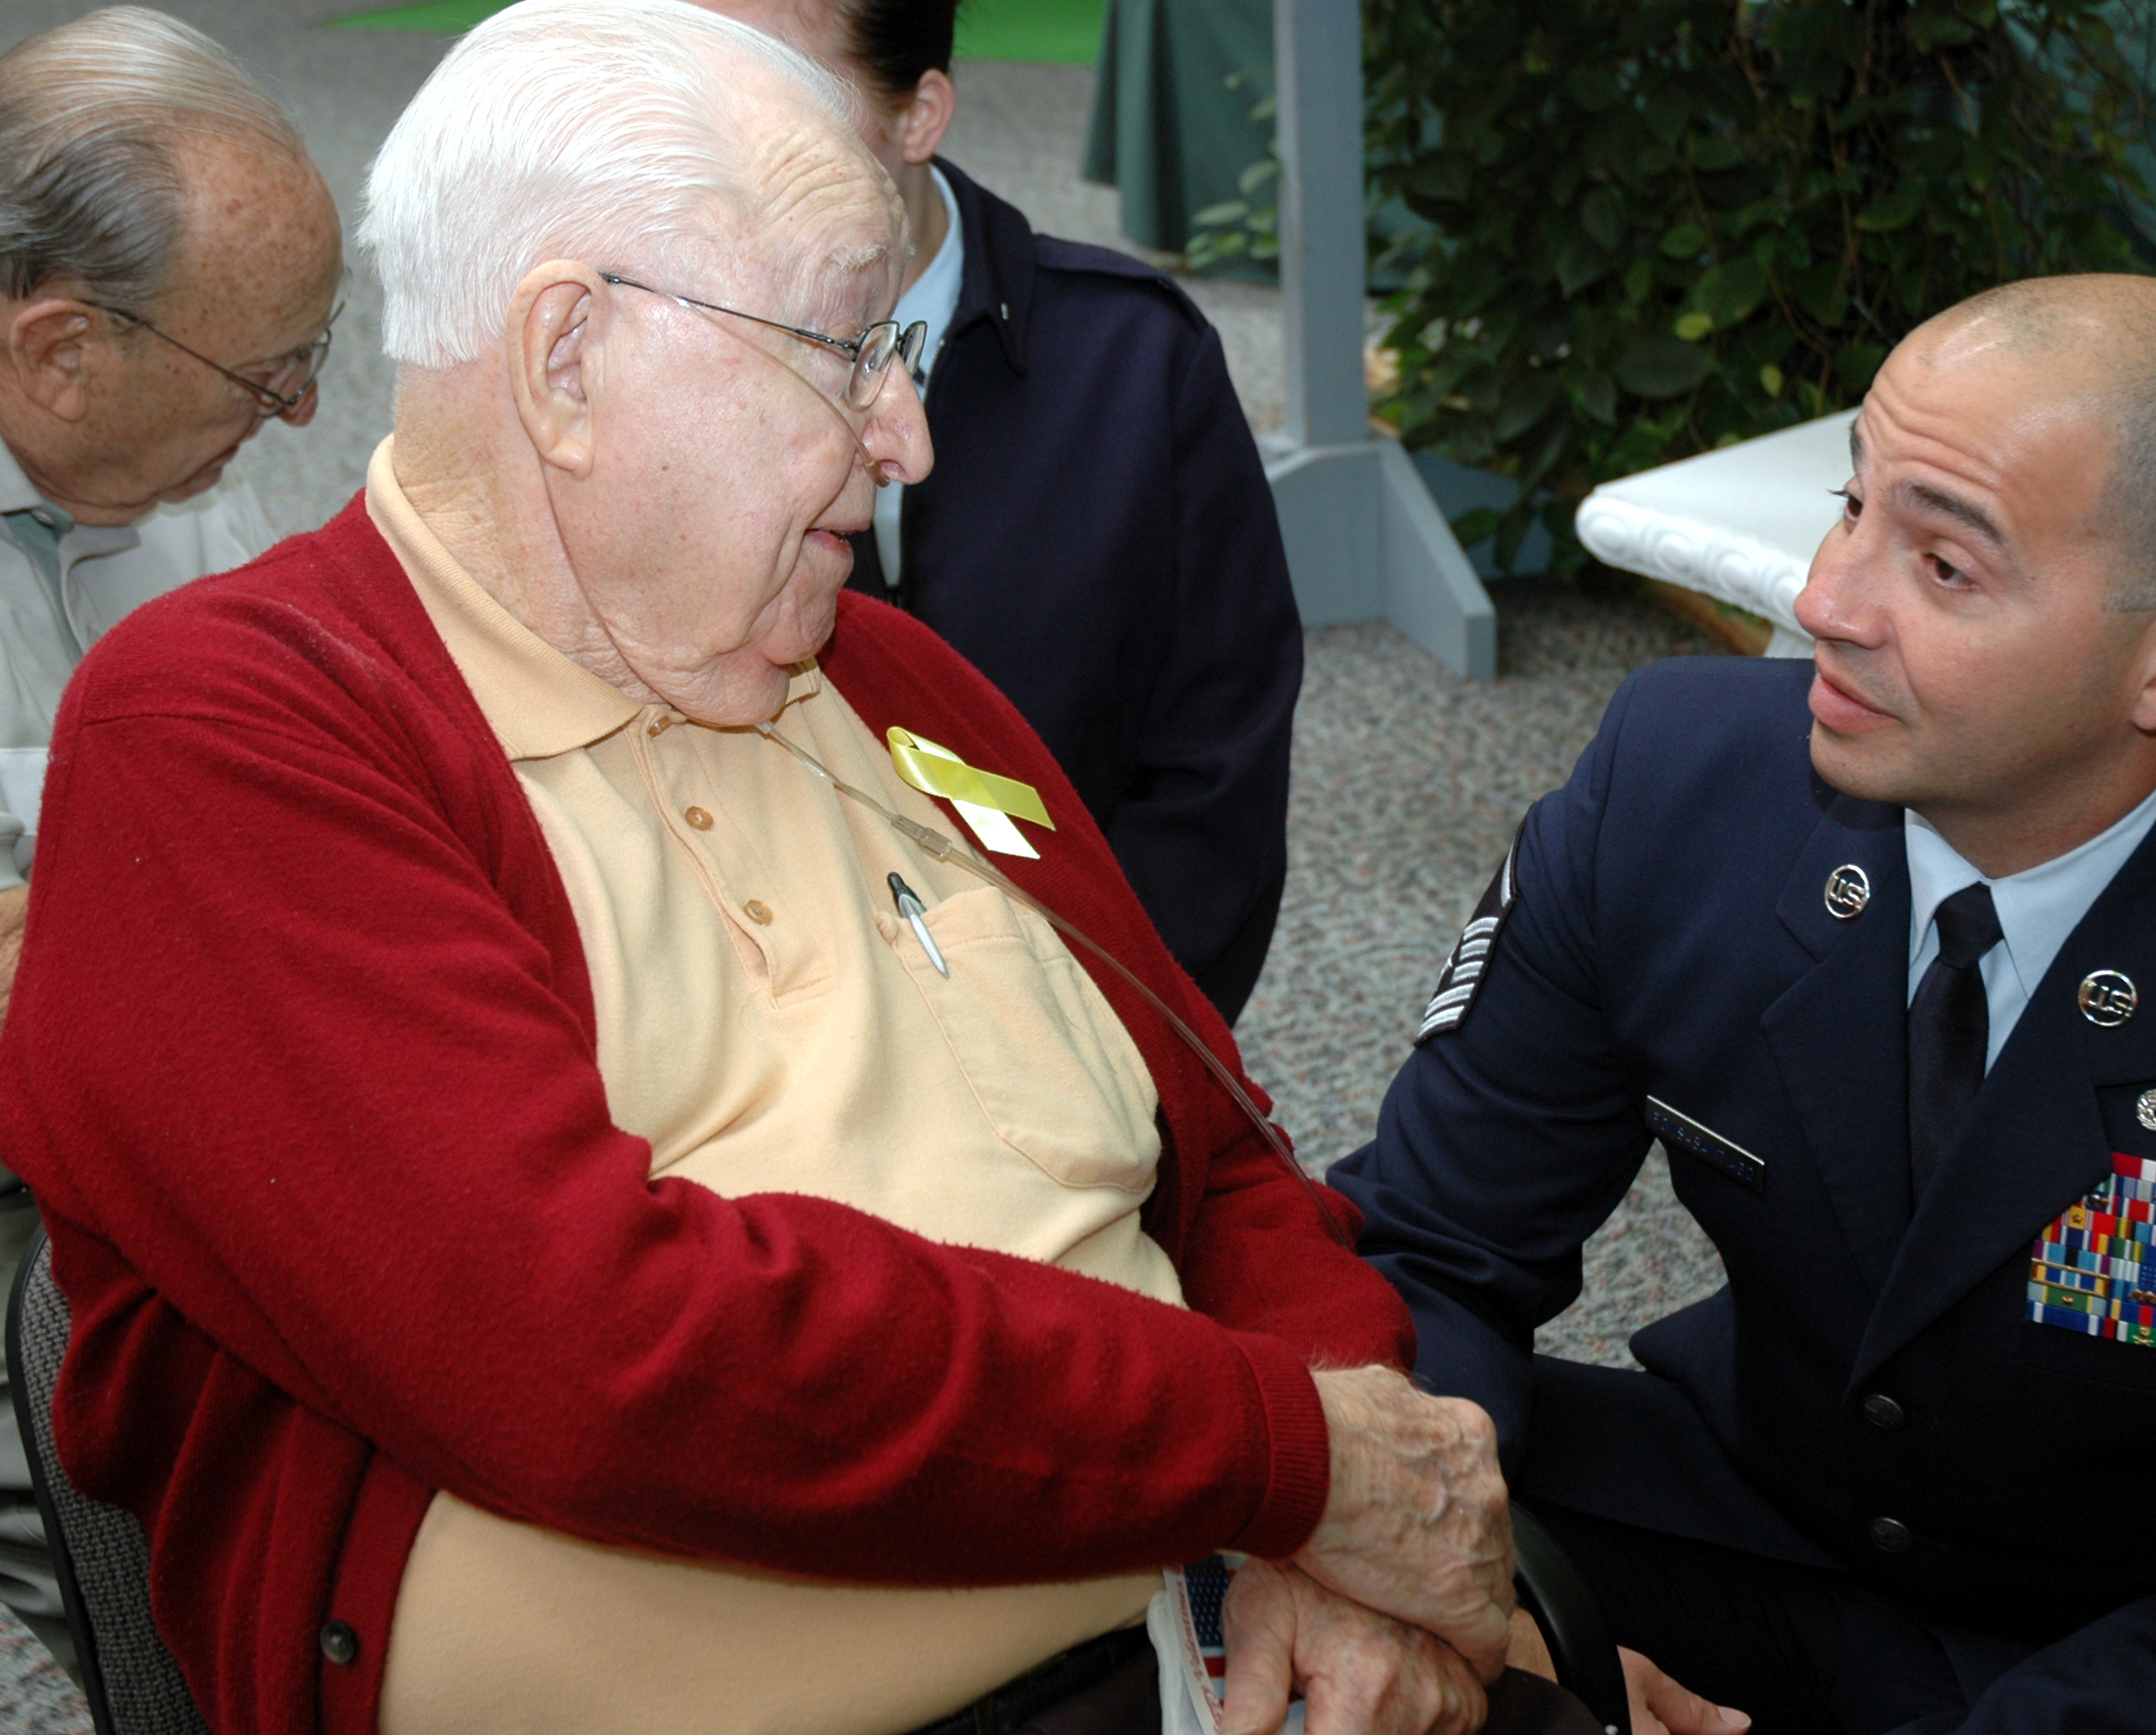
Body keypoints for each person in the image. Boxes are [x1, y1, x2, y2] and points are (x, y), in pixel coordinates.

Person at [0, 6, 1543, 1733]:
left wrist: (1350, 1526)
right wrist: (1280, 1461)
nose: (909, 439)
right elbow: (585, 1355)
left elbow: (1229, 1156)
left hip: (1217, 1609)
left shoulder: (890, 677)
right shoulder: (232, 731)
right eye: (843, 350)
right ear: (565, 360)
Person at [1331, 274, 2156, 1731]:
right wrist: (1457, 1592)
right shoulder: (1674, 786)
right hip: (1746, 1508)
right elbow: (1436, 1244)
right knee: (1270, 1531)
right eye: (1852, 503)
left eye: (1943, 568)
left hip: (2130, 1639)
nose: (1818, 600)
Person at [695, 0, 1301, 1025]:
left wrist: (1113, 1039)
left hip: (1088, 1011)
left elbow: (1218, 762)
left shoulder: (1133, 362)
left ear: (919, 114)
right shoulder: (654, 361)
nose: (723, 135)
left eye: (783, 89)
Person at [0, 0, 341, 1627]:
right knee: (159, 1567)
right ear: (60, 349)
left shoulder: (164, 457)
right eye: (267, 372)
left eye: (311, 354)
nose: (296, 420)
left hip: (181, 1131)